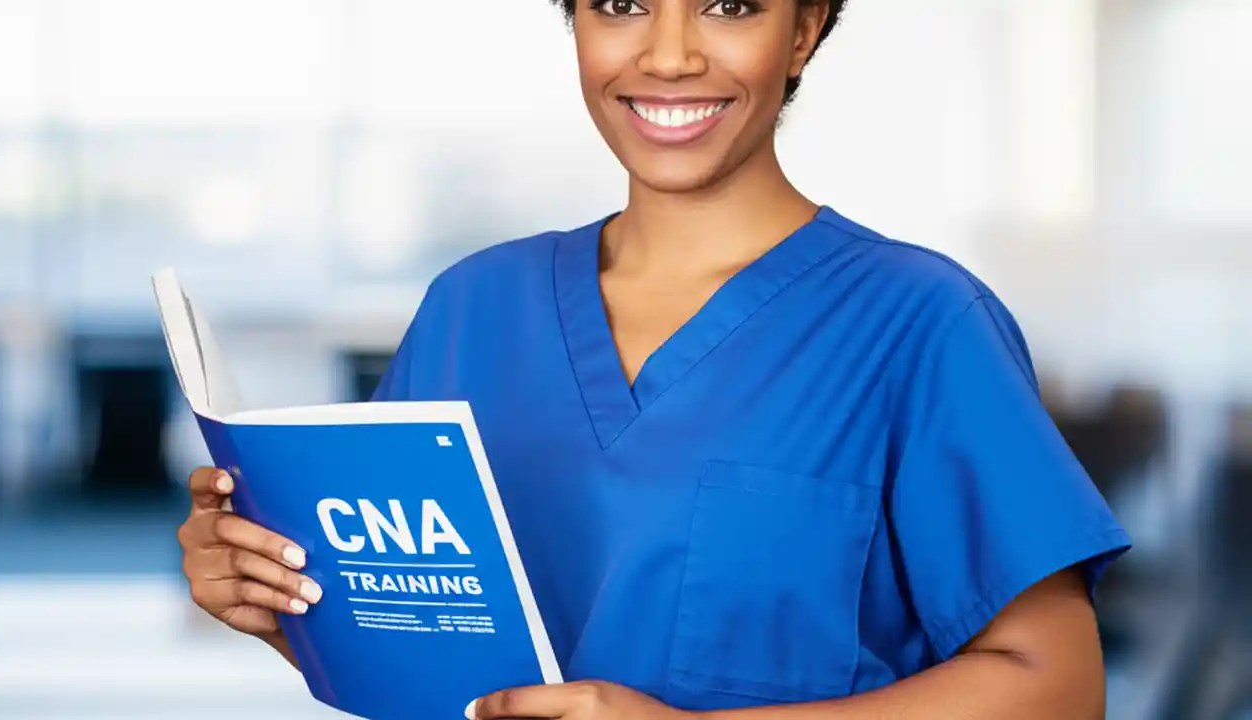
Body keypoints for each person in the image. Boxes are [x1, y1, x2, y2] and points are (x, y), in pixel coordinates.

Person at [176, 1, 1132, 717]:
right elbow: (425, 663)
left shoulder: (920, 324)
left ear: (805, 30)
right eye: (622, 2)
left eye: (729, 5)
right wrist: (279, 603)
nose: (669, 54)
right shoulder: (472, 308)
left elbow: (1058, 685)